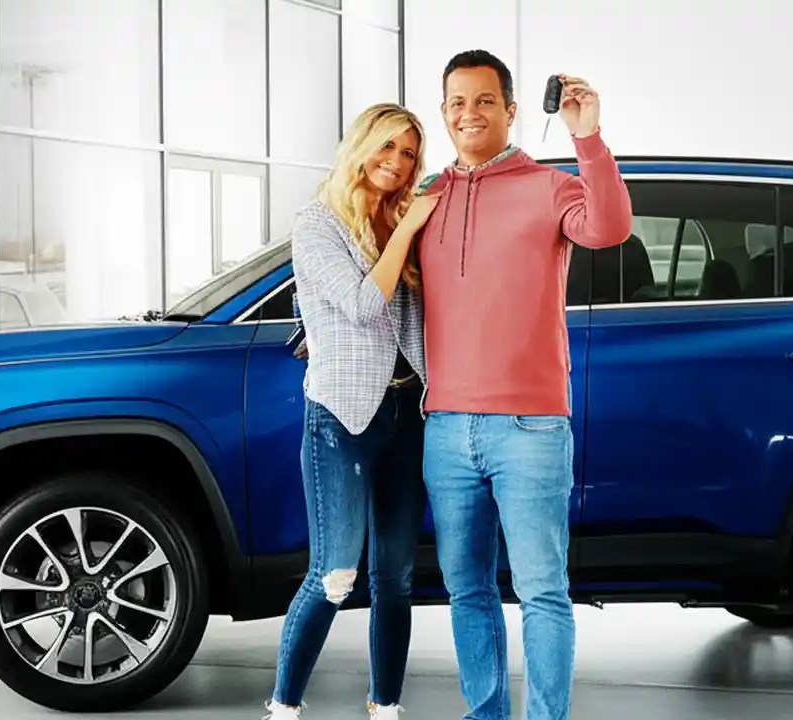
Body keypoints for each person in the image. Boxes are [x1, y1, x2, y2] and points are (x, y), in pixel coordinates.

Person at [415, 50, 633, 720]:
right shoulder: (426, 196)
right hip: (445, 427)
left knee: (542, 592)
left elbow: (610, 226)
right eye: (456, 101)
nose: (468, 113)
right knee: (466, 590)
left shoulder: (548, 186)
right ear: (444, 110)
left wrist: (586, 134)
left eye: (484, 101)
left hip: (530, 427)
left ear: (511, 110)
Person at [263, 103, 442, 720]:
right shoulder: (317, 223)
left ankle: (384, 706)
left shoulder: (405, 221)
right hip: (340, 415)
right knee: (335, 574)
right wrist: (411, 226)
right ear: (361, 146)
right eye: (387, 147)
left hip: (407, 413)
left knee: (394, 578)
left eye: (410, 154)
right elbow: (365, 305)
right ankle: (284, 708)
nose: (396, 163)